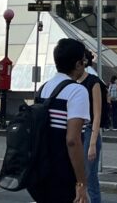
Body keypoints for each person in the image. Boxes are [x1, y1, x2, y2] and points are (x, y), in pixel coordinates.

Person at [32, 38, 90, 203]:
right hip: (63, 174)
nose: (85, 66)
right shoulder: (77, 91)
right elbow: (72, 140)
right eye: (84, 61)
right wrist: (81, 182)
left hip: (40, 171)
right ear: (78, 64)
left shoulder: (43, 88)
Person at [80, 50, 106, 203]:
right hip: (75, 131)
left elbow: (97, 114)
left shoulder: (93, 81)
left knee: (90, 176)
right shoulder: (71, 82)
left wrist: (92, 144)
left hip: (89, 131)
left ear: (83, 61)